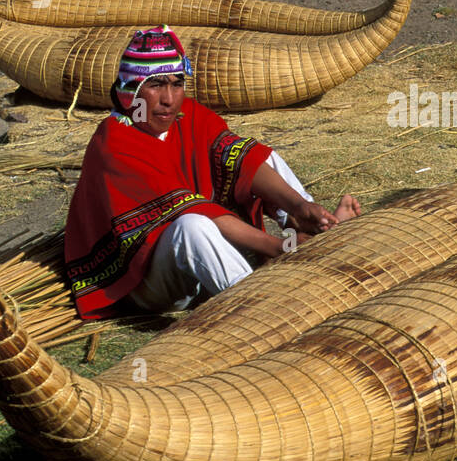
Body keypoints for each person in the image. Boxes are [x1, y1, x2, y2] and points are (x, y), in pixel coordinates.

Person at [64, 25, 361, 320]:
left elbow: (241, 159)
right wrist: (277, 246)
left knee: (258, 155)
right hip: (146, 279)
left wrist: (299, 205)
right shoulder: (114, 142)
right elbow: (193, 211)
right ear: (130, 91)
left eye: (176, 83)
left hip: (204, 262)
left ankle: (318, 231)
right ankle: (262, 308)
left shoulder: (187, 116)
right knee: (191, 226)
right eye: (155, 85)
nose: (169, 99)